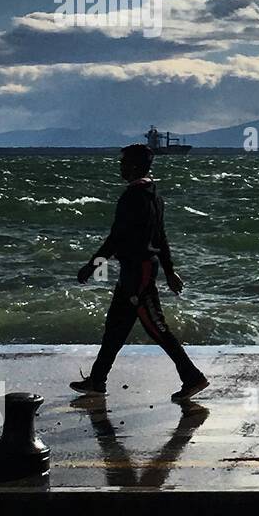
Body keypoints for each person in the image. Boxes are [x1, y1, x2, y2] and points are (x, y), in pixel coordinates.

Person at [71, 143, 208, 402]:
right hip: (137, 270)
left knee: (157, 329)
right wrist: (169, 271)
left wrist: (92, 265)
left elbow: (116, 239)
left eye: (123, 163)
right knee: (115, 328)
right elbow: (162, 238)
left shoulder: (132, 198)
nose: (120, 167)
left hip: (139, 272)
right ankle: (97, 380)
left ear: (133, 166)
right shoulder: (154, 196)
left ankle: (192, 377)